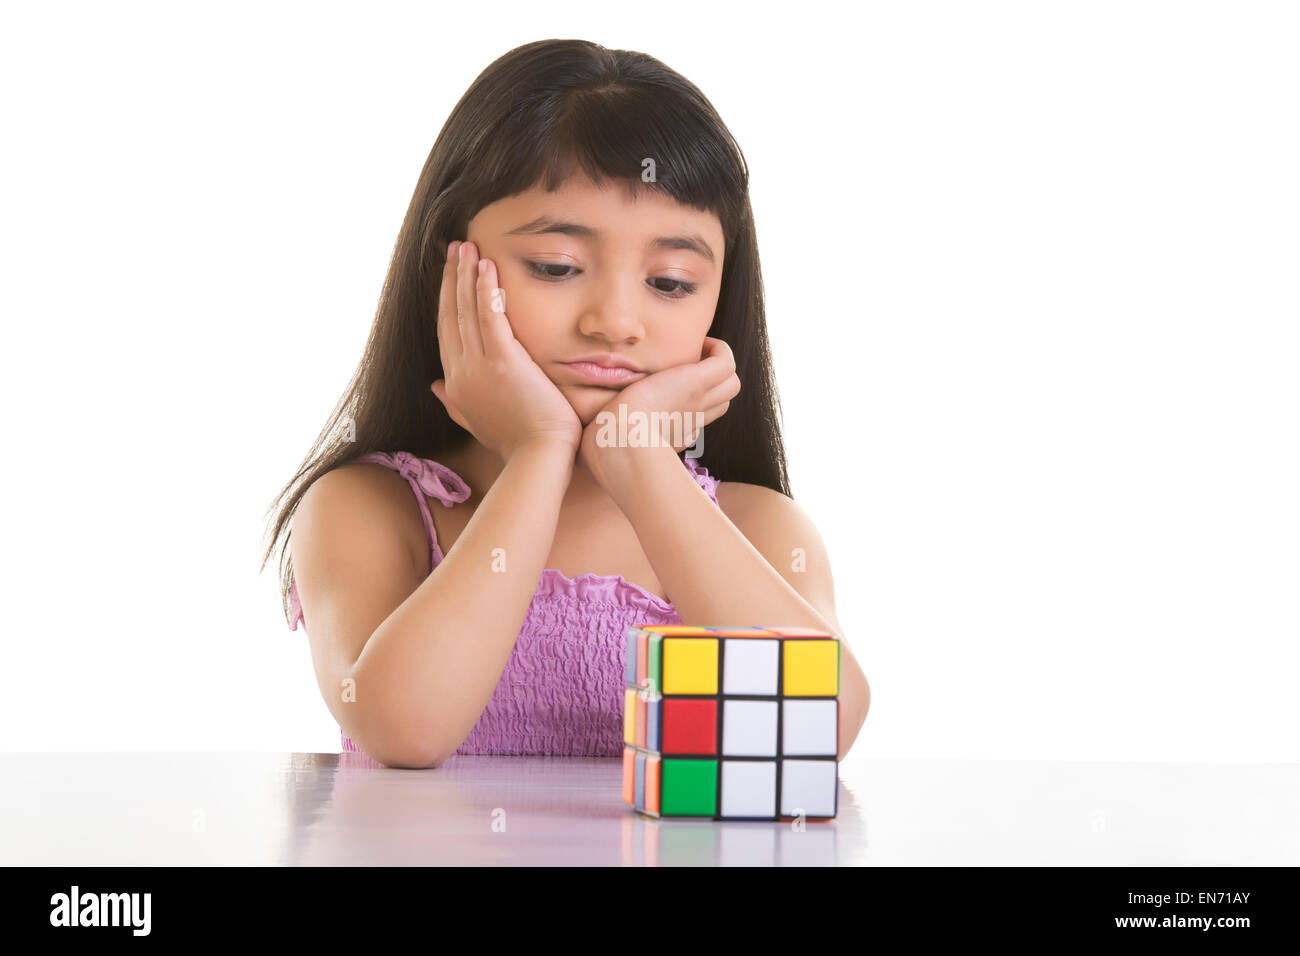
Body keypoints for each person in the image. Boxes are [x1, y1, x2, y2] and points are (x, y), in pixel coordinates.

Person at [261, 38, 870, 768]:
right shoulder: (368, 507)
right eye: (557, 266)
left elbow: (819, 731)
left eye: (670, 282)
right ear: (445, 269)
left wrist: (640, 463)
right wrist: (538, 452)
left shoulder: (758, 527)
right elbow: (403, 729)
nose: (615, 321)